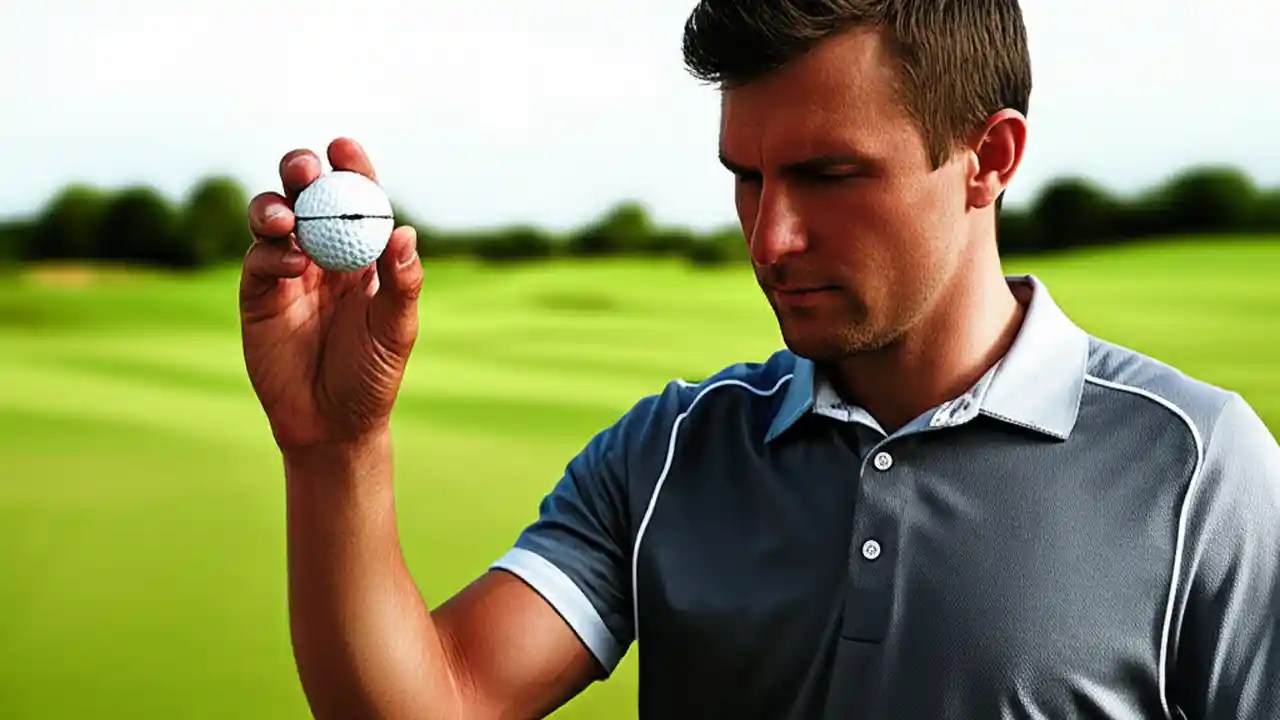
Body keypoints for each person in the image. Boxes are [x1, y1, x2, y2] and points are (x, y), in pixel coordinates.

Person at [239, 1, 1280, 718]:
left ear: (988, 158)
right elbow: (441, 701)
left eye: (828, 175)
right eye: (746, 177)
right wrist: (335, 450)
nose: (769, 237)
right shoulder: (670, 452)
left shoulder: (1197, 467)